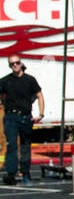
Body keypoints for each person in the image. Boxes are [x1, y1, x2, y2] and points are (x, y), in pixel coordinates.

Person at [0, 55, 44, 185]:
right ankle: (11, 174)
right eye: (12, 64)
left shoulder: (30, 80)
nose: (14, 66)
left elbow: (40, 95)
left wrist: (41, 114)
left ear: (21, 64)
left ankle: (25, 174)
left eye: (17, 63)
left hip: (25, 117)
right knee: (11, 145)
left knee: (25, 146)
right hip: (11, 117)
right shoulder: (5, 81)